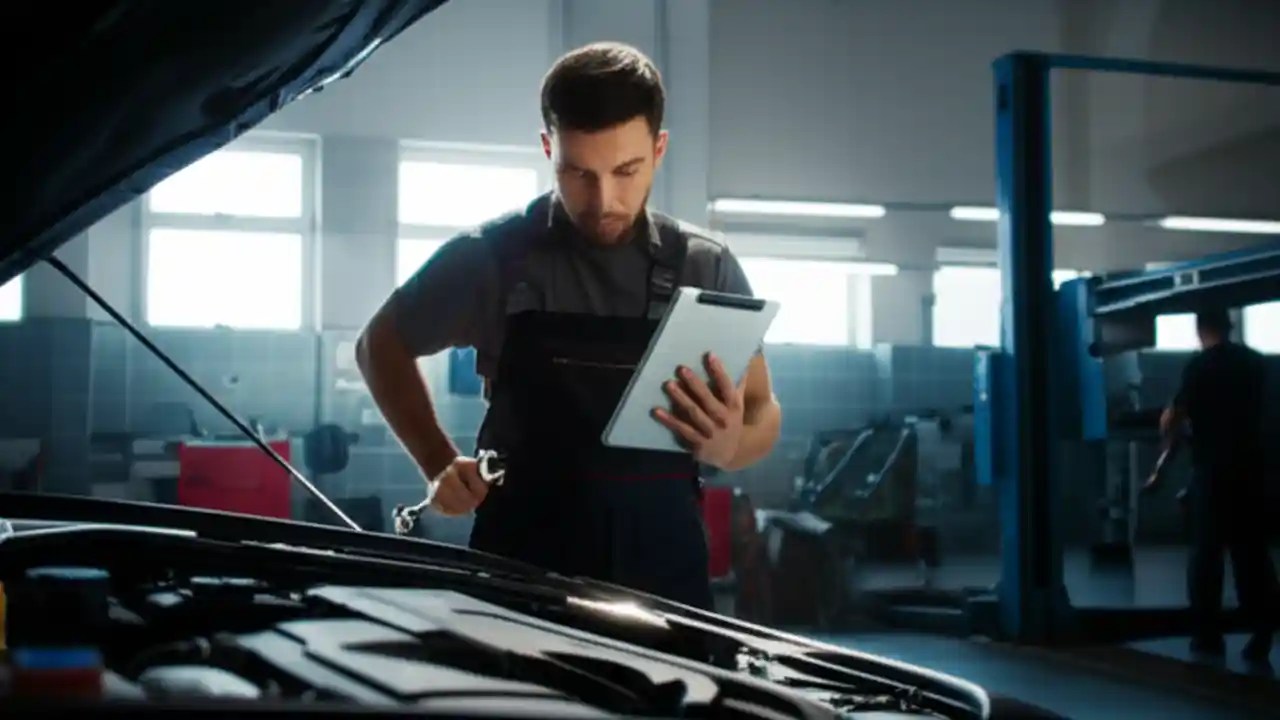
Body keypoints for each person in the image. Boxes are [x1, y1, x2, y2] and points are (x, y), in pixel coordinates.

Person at [356, 42, 782, 610]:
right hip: (521, 573)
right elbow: (378, 344)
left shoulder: (704, 267)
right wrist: (437, 461)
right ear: (546, 147)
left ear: (658, 150)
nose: (603, 199)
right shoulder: (493, 259)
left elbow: (763, 410)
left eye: (626, 171)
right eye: (577, 172)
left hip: (664, 578)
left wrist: (732, 447)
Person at [1145, 308, 1276, 665]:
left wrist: (1159, 472)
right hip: (1252, 472)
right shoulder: (1256, 365)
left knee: (1206, 556)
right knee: (1252, 555)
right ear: (1230, 327)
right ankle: (1263, 630)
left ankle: (1207, 636)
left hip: (1212, 474)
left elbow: (1174, 422)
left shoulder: (1199, 367)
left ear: (1201, 329)